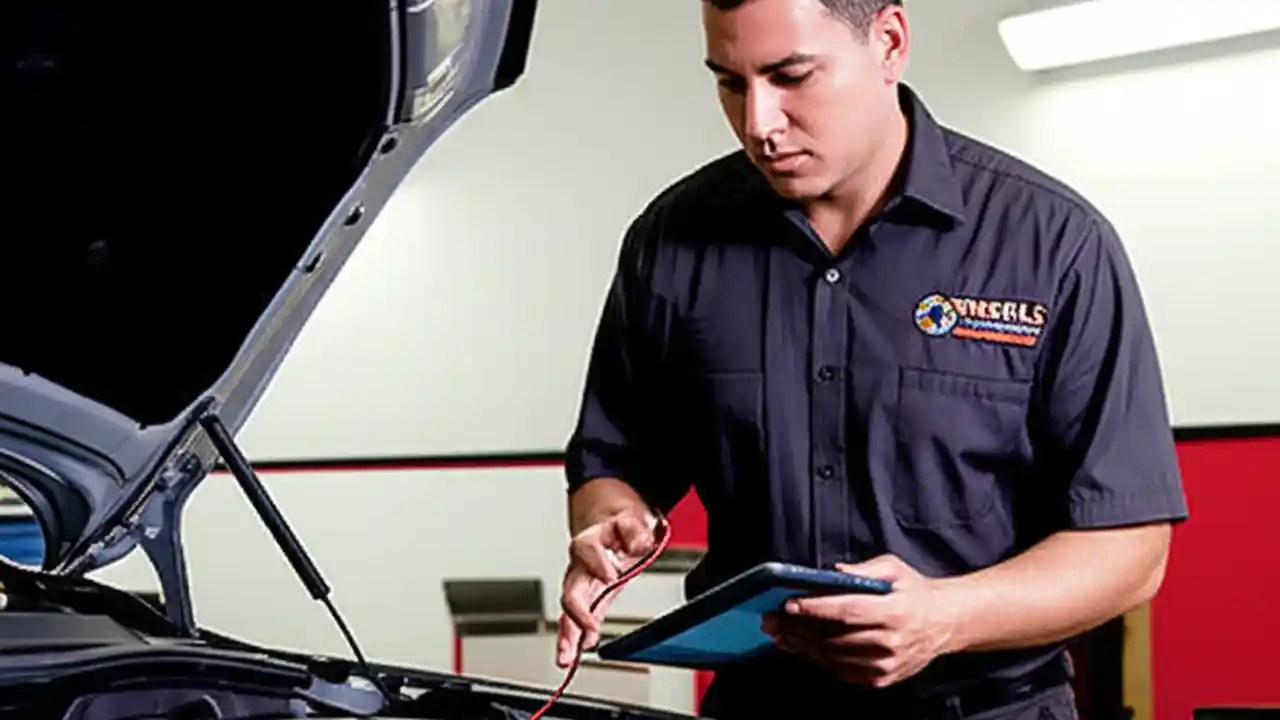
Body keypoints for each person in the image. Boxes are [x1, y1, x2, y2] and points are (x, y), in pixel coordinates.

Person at [556, 0, 1189, 717]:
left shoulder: (1055, 247)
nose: (759, 122)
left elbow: (1130, 547)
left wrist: (946, 616)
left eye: (790, 75)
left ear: (888, 43)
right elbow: (614, 467)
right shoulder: (670, 243)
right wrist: (611, 521)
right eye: (730, 83)